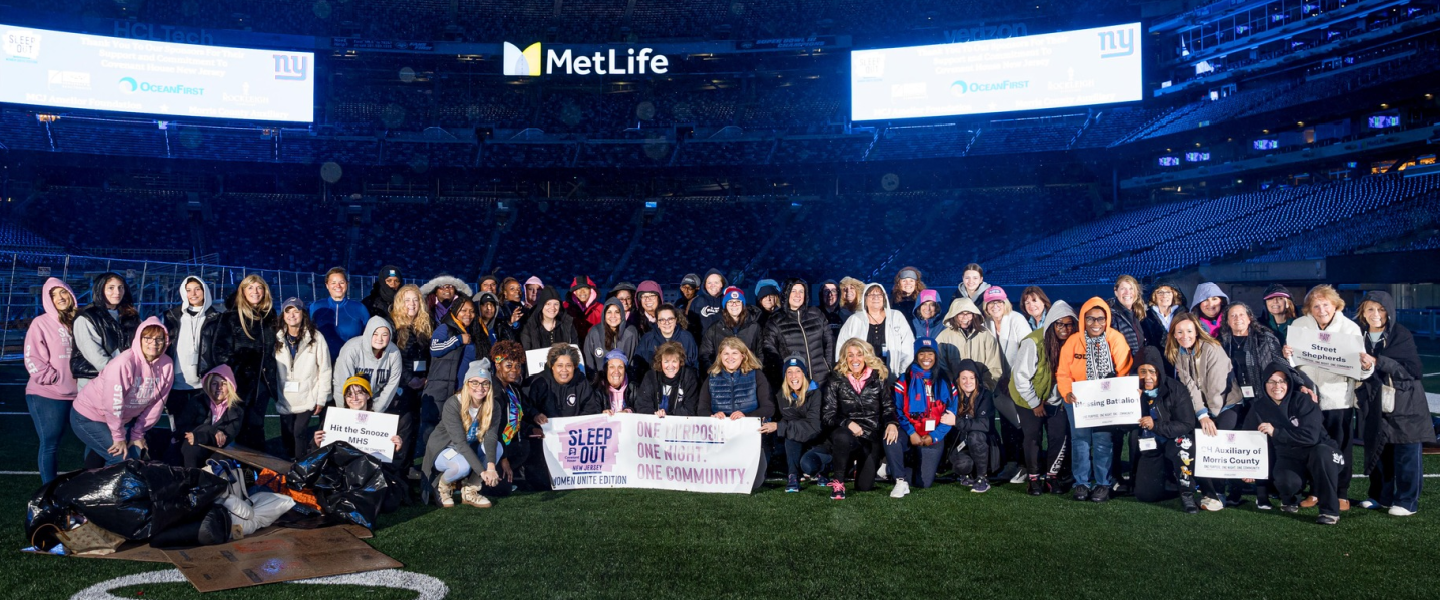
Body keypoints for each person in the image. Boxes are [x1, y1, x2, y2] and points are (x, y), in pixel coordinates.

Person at [1283, 284, 1373, 511]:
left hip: (1338, 398)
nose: (1321, 309)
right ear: (1309, 309)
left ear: (1335, 305)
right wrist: (1288, 357)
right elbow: (1293, 364)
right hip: (1308, 398)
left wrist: (1365, 365)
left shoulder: (1350, 328)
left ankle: (1340, 492)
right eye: (1316, 305)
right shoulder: (1299, 325)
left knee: (1340, 446)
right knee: (1312, 445)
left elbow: (1360, 368)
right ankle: (1316, 491)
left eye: (1326, 304)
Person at [1354, 291, 1428, 516]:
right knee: (1379, 451)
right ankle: (1380, 497)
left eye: (1381, 309)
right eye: (1370, 309)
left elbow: (1413, 371)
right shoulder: (1357, 335)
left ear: (1389, 312)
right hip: (1376, 402)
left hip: (1405, 403)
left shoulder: (1400, 334)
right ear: (1363, 312)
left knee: (1406, 451)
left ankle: (1407, 502)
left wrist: (1378, 362)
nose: (1376, 314)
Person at [1243, 362, 1344, 525]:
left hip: (1323, 454)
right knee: (1286, 481)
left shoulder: (1303, 401)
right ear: (1264, 384)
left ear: (1289, 383)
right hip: (1290, 456)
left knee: (1322, 454)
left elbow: (1310, 437)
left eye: (1282, 381)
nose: (1277, 386)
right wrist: (1247, 467)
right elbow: (1248, 437)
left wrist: (1276, 432)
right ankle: (1290, 499)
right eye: (1271, 381)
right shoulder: (1259, 407)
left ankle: (1329, 511)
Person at [1057, 297, 1133, 503]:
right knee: (1080, 441)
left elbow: (1124, 368)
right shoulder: (1074, 341)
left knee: (1102, 441)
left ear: (1107, 319)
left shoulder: (1115, 339)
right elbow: (1063, 372)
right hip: (1078, 399)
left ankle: (1103, 484)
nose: (1096, 324)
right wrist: (1066, 393)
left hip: (1104, 400)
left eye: (1100, 319)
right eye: (1090, 319)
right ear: (1083, 319)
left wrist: (1113, 391)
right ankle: (1081, 483)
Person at [70, 317, 172, 466]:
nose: (154, 343)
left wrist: (138, 434)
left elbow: (156, 405)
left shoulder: (167, 364)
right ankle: (108, 489)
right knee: (120, 458)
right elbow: (113, 403)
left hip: (122, 420)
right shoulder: (123, 363)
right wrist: (118, 437)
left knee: (136, 454)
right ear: (139, 339)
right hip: (90, 416)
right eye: (148, 338)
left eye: (159, 339)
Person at [1167, 312, 1243, 511]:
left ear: (1197, 331)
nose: (1185, 336)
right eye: (1180, 332)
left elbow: (1216, 387)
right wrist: (1202, 415)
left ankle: (1222, 492)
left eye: (1189, 331)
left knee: (1214, 442)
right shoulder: (1179, 354)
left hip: (1227, 405)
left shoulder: (1212, 348)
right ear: (1174, 334)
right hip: (1205, 409)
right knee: (1194, 444)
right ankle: (1210, 493)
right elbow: (1189, 387)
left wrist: (1210, 418)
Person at [1008, 301, 1076, 496]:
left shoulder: (1073, 342)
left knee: (1059, 435)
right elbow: (1020, 378)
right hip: (1027, 396)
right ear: (1052, 323)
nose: (1064, 328)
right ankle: (1033, 478)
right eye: (1059, 324)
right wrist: (1035, 403)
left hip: (1056, 398)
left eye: (1069, 324)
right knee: (1033, 436)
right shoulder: (1034, 342)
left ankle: (1051, 477)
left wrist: (1060, 397)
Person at [821, 338, 898, 499]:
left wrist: (891, 423)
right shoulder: (835, 379)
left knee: (864, 486)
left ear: (866, 356)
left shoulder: (878, 377)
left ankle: (853, 465)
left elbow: (888, 407)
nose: (854, 359)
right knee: (842, 437)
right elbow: (828, 415)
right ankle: (838, 483)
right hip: (846, 433)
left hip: (870, 435)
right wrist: (848, 423)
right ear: (844, 358)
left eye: (859, 354)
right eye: (850, 355)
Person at [422, 359, 502, 509]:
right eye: (475, 382)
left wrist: (490, 467)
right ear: (467, 383)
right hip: (444, 449)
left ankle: (471, 490)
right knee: (462, 465)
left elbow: (491, 436)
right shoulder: (453, 404)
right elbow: (460, 443)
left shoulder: (494, 406)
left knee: (497, 447)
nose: (480, 387)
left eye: (485, 383)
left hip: (469, 447)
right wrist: (482, 472)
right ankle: (442, 486)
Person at [701, 337, 774, 492]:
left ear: (743, 355)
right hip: (722, 438)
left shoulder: (756, 375)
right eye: (726, 353)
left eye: (735, 353)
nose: (730, 357)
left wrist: (746, 417)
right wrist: (712, 416)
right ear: (720, 356)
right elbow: (702, 409)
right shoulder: (712, 378)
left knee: (754, 482)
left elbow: (768, 408)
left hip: (750, 437)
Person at [24, 278, 79, 484]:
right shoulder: (41, 322)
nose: (60, 298)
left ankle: (92, 488)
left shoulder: (81, 320)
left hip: (81, 393)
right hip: (47, 393)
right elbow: (32, 357)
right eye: (53, 295)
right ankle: (49, 493)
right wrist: (53, 378)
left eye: (62, 292)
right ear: (48, 300)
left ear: (70, 293)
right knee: (50, 443)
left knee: (92, 439)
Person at [1132, 348, 1199, 513]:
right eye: (1143, 372)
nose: (1147, 377)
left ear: (1159, 372)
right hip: (1150, 447)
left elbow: (1187, 424)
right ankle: (1167, 481)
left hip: (1173, 441)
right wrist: (1137, 400)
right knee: (1145, 495)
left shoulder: (1175, 389)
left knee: (1185, 444)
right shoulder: (1130, 391)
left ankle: (1187, 493)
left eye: (1152, 372)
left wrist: (1156, 425)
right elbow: (1125, 424)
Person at [213, 274, 276, 451]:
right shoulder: (230, 317)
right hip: (238, 382)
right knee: (235, 425)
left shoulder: (270, 317)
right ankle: (236, 471)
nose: (255, 292)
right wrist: (233, 374)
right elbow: (220, 351)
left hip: (262, 382)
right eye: (250, 288)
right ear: (242, 291)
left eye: (259, 288)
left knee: (257, 425)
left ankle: (256, 472)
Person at [885, 338, 955, 495]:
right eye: (922, 354)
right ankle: (899, 480)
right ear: (916, 356)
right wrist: (911, 432)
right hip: (909, 431)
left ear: (936, 356)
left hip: (932, 435)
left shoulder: (946, 380)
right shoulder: (905, 379)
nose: (926, 358)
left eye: (930, 353)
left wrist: (935, 436)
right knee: (891, 439)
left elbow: (952, 412)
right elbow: (897, 410)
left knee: (923, 483)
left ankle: (893, 467)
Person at [162, 276, 222, 446]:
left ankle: (198, 464)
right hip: (176, 384)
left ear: (204, 291)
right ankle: (178, 463)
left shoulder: (216, 317)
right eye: (188, 290)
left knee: (201, 427)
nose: (193, 294)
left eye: (197, 289)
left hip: (202, 384)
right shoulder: (172, 316)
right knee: (178, 429)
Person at [273, 297, 332, 460]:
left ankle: (301, 466)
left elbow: (325, 369)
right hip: (284, 397)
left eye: (296, 311)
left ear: (303, 314)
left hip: (307, 395)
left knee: (299, 432)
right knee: (287, 435)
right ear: (283, 315)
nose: (292, 315)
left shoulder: (316, 337)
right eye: (288, 311)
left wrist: (321, 398)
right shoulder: (276, 338)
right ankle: (289, 463)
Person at [423, 298, 479, 451]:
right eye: (464, 310)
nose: (468, 314)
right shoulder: (444, 328)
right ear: (455, 311)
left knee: (453, 431)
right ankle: (425, 468)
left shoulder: (470, 332)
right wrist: (458, 340)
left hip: (460, 392)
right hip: (440, 389)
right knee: (431, 429)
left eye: (472, 311)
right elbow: (435, 348)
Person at [70, 272, 140, 390]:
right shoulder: (87, 317)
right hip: (94, 381)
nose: (117, 292)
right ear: (100, 289)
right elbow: (96, 356)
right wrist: (120, 374)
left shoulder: (131, 315)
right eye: (111, 288)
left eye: (120, 287)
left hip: (126, 380)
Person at [390, 284, 433, 466]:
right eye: (407, 300)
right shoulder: (394, 327)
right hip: (402, 386)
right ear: (400, 302)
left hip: (421, 384)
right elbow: (393, 358)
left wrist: (426, 378)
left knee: (416, 428)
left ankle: (408, 467)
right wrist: (409, 380)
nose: (412, 304)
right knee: (403, 429)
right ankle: (398, 468)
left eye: (415, 300)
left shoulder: (424, 326)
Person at [765, 279, 836, 386]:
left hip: (821, 380)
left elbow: (829, 341)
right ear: (786, 293)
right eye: (793, 291)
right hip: (795, 383)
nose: (797, 295)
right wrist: (783, 373)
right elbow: (769, 348)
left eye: (801, 291)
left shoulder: (816, 314)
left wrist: (829, 367)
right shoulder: (775, 320)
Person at [312, 374, 403, 458]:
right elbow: (316, 458)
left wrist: (395, 450)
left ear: (368, 395)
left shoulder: (381, 424)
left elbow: (390, 465)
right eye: (349, 394)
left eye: (359, 393)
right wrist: (317, 445)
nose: (354, 398)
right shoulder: (332, 420)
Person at [836, 283, 914, 376]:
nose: (875, 297)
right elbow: (842, 347)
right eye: (871, 295)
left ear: (884, 298)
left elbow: (908, 347)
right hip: (861, 378)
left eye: (879, 294)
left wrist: (900, 372)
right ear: (865, 298)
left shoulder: (896, 317)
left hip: (892, 376)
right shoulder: (855, 320)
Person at [175, 365, 243, 469]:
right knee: (192, 448)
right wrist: (213, 431)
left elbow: (225, 439)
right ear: (208, 385)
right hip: (190, 448)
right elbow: (182, 428)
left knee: (223, 457)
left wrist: (201, 436)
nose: (219, 388)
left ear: (230, 387)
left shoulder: (236, 411)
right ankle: (190, 479)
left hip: (216, 449)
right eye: (214, 383)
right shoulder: (197, 402)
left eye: (223, 384)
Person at [332, 316, 403, 414]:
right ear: (368, 333)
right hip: (351, 403)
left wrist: (375, 411)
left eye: (384, 335)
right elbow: (342, 385)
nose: (379, 339)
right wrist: (346, 413)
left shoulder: (394, 353)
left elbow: (392, 385)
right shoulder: (351, 350)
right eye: (375, 334)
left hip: (377, 404)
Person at [490, 341, 536, 491]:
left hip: (507, 443)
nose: (514, 370)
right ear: (497, 366)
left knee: (526, 445)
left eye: (518, 366)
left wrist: (530, 428)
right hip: (490, 447)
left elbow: (514, 419)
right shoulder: (493, 391)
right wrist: (503, 459)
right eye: (509, 366)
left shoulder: (513, 388)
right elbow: (493, 431)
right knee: (499, 489)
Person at [775, 355, 823, 493]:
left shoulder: (816, 393)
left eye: (797, 371)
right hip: (798, 439)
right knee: (790, 433)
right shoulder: (782, 396)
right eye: (789, 372)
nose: (793, 376)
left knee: (809, 465)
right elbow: (788, 420)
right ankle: (793, 476)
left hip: (818, 439)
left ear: (804, 373)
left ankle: (823, 471)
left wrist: (781, 426)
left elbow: (814, 427)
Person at [934, 297, 1003, 390]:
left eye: (968, 313)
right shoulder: (943, 337)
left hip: (981, 389)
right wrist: (952, 387)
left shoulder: (985, 335)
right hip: (954, 391)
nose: (965, 317)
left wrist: (985, 388)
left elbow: (994, 367)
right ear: (954, 315)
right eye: (960, 314)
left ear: (974, 315)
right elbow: (940, 365)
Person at [950, 359, 996, 493]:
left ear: (977, 379)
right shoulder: (954, 396)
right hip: (962, 446)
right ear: (958, 380)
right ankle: (967, 474)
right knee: (961, 465)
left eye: (971, 377)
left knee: (976, 435)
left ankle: (983, 478)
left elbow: (984, 425)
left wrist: (957, 422)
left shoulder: (985, 395)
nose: (967, 382)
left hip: (985, 447)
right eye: (963, 378)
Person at [310, 267, 371, 361]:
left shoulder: (359, 308)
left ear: (347, 284)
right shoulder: (316, 307)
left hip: (351, 361)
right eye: (333, 283)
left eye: (341, 282)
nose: (338, 286)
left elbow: (369, 336)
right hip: (322, 362)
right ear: (327, 285)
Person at [527, 344, 600, 420]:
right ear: (552, 366)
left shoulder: (581, 382)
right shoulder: (539, 383)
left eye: (568, 365)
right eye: (559, 365)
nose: (564, 370)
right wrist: (535, 415)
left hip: (574, 430)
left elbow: (590, 409)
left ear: (574, 367)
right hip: (544, 429)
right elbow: (527, 408)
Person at [700, 287, 762, 372]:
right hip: (722, 376)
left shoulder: (754, 327)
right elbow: (705, 355)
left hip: (748, 375)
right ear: (725, 305)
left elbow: (760, 353)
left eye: (737, 301)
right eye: (730, 302)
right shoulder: (714, 329)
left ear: (743, 305)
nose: (734, 305)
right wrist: (715, 373)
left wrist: (755, 372)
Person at [633, 342, 704, 416]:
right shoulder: (651, 377)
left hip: (679, 425)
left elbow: (690, 409)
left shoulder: (688, 377)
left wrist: (668, 415)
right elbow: (642, 406)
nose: (670, 366)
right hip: (654, 424)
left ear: (680, 362)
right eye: (666, 362)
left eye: (674, 361)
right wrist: (655, 414)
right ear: (660, 362)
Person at [633, 303, 699, 373]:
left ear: (676, 320)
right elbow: (639, 366)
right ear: (657, 322)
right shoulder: (647, 339)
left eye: (670, 319)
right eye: (662, 320)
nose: (666, 323)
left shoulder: (687, 338)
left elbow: (694, 365)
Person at [583, 298, 639, 374]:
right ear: (604, 315)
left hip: (624, 380)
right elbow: (589, 360)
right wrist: (595, 381)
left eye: (617, 312)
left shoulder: (630, 332)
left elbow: (634, 359)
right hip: (600, 381)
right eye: (609, 312)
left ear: (622, 314)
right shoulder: (595, 332)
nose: (613, 316)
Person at [519, 286, 580, 353]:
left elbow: (575, 350)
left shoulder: (568, 324)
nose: (552, 308)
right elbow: (526, 353)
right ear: (541, 306)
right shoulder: (529, 327)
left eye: (556, 304)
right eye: (548, 304)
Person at [1142, 282, 1185, 356]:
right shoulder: (1146, 318)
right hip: (1157, 359)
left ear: (1174, 295)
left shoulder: (1184, 314)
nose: (1164, 296)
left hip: (1182, 357)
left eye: (1168, 292)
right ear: (1154, 296)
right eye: (1160, 292)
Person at [687, 269, 728, 338]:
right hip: (703, 344)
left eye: (716, 282)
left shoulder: (728, 301)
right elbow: (690, 325)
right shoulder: (697, 301)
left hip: (724, 344)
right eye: (709, 283)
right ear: (705, 285)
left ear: (722, 284)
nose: (713, 285)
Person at [565, 276, 604, 341]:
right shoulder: (566, 307)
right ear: (574, 292)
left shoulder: (601, 309)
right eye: (579, 288)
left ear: (591, 291)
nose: (582, 291)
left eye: (585, 288)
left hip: (595, 346)